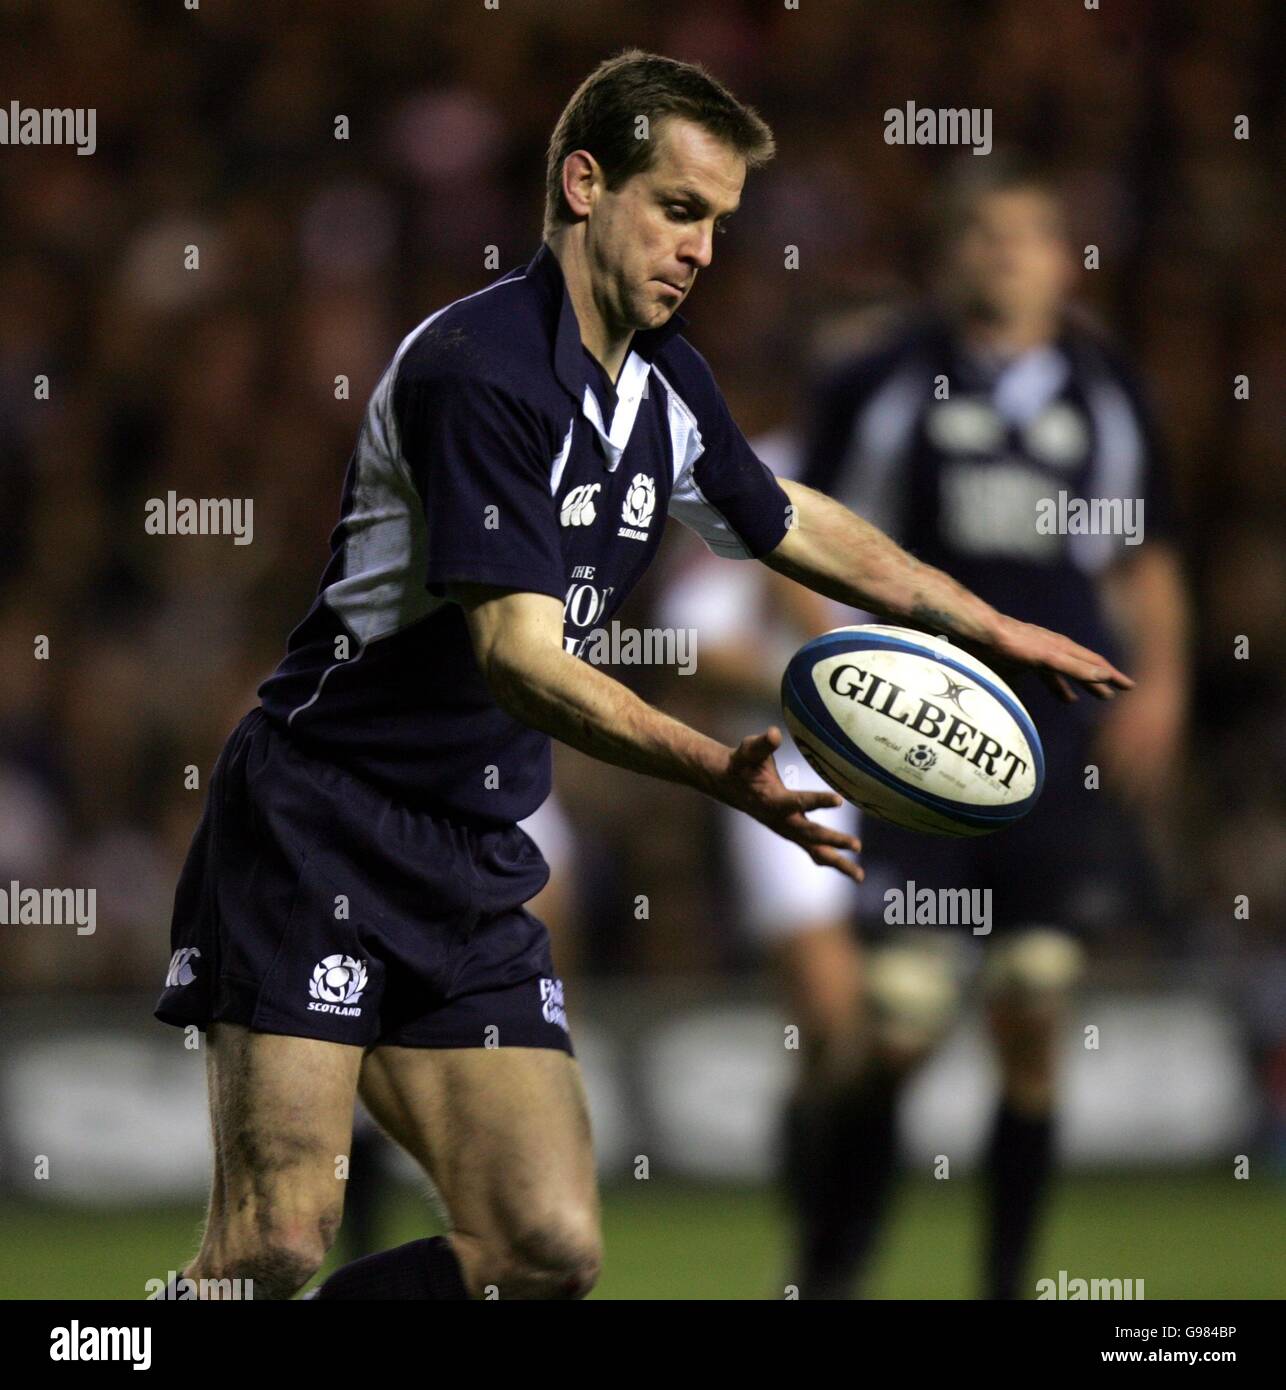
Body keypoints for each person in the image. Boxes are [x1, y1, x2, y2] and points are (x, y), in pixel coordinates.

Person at [152, 55, 1129, 1301]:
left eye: (719, 224)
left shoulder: (665, 381)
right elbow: (518, 659)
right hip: (319, 825)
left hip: (468, 851)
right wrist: (714, 770)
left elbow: (784, 517)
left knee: (544, 1253)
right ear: (582, 183)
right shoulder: (481, 369)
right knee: (273, 1245)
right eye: (678, 209)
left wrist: (983, 621)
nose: (704, 251)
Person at [773, 159, 1188, 1299]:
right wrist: (837, 685)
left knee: (1031, 1006)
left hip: (1056, 751)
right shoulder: (885, 380)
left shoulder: (1104, 388)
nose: (1003, 254)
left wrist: (1159, 687)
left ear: (1062, 258)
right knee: (898, 1021)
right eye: (981, 235)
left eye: (1025, 236)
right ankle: (826, 1265)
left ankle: (1004, 1283)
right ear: (947, 255)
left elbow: (1142, 561)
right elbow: (791, 534)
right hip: (919, 750)